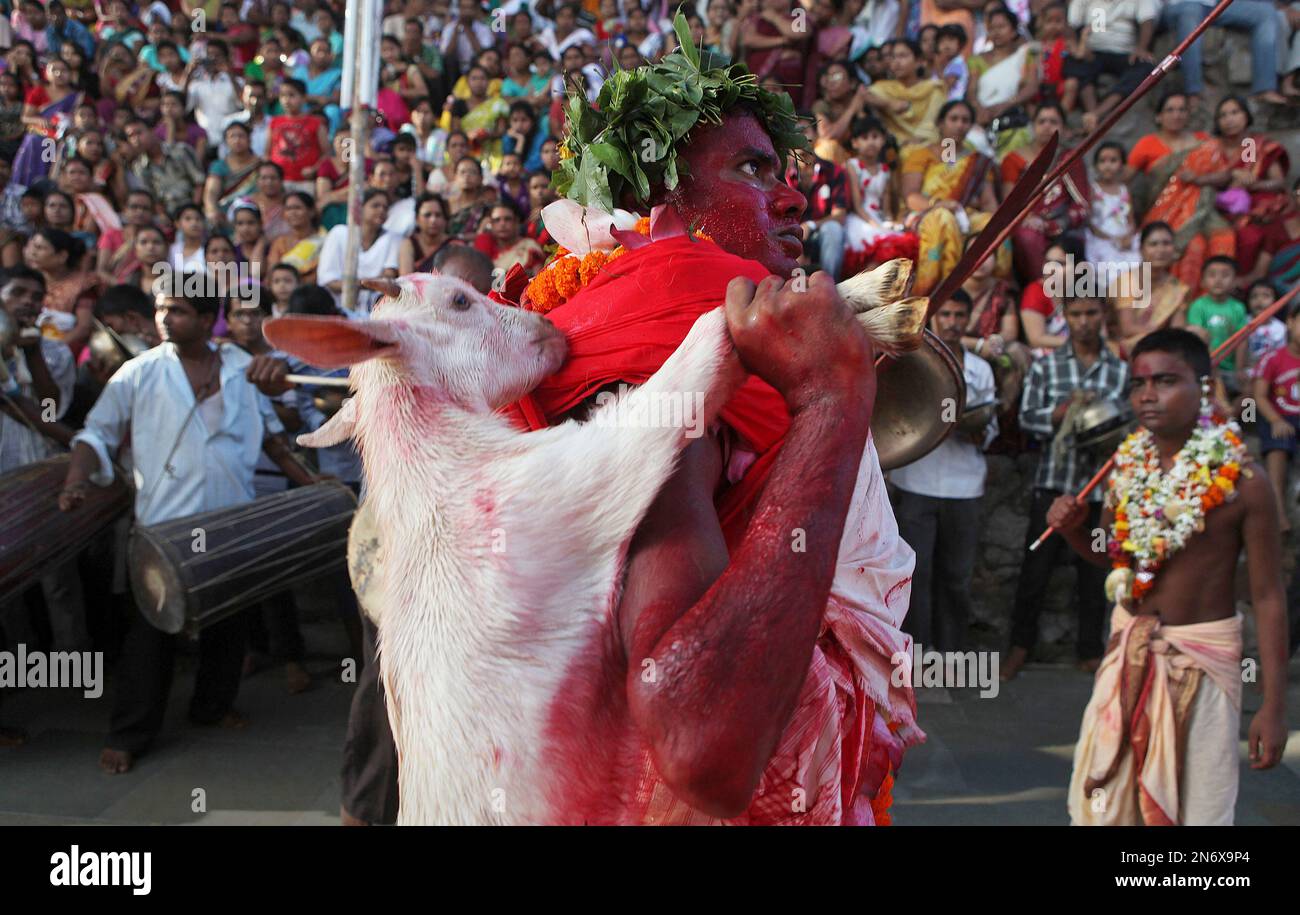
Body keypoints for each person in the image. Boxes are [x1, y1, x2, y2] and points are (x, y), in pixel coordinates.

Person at [473, 16, 920, 824]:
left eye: (786, 171)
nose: (793, 197)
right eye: (753, 169)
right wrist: (830, 404)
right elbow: (701, 743)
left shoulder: (682, 353)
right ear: (656, 197)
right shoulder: (653, 375)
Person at [59, 278, 320, 774]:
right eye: (161, 309)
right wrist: (76, 481)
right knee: (151, 636)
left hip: (232, 521)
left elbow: (273, 437)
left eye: (177, 310)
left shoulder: (245, 368)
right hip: (165, 531)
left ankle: (212, 707)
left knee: (229, 625)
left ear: (206, 320)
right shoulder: (137, 373)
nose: (164, 319)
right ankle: (130, 733)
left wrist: (309, 482)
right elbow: (96, 434)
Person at [1051, 329, 1287, 824]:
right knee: (1108, 803)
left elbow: (1267, 596)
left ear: (1203, 388)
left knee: (1200, 809)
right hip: (1129, 650)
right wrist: (1075, 533)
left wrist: (1273, 706)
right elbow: (1114, 558)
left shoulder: (1245, 481)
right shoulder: (1126, 467)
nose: (1148, 395)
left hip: (1202, 662)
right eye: (1138, 384)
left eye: (1165, 381)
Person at [1005, 294, 1130, 680]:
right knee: (1035, 570)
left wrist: (1108, 430)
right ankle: (1019, 648)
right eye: (1076, 314)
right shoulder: (1047, 367)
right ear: (1065, 318)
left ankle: (1091, 651)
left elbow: (1130, 424)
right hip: (1054, 484)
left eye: (1091, 313)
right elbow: (1027, 418)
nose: (1084, 321)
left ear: (1103, 316)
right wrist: (1063, 413)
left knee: (1096, 575)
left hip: (1100, 491)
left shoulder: (1120, 371)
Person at [891, 291, 998, 652]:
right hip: (916, 480)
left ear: (969, 319)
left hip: (965, 485)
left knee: (956, 576)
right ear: (935, 320)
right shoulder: (912, 361)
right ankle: (916, 652)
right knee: (916, 574)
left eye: (959, 315)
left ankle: (951, 654)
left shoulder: (981, 370)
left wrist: (981, 431)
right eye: (946, 315)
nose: (952, 322)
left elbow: (990, 423)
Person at [1126, 92, 1234, 294]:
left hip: (1203, 211)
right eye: (1170, 110)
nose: (1177, 115)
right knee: (1194, 245)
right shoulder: (1147, 144)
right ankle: (1182, 300)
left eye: (1182, 110)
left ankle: (1217, 299)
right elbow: (1122, 182)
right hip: (1165, 215)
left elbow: (1225, 176)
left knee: (1225, 237)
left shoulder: (1205, 141)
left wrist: (1200, 179)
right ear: (1158, 116)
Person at [902, 99, 1004, 296]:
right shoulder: (921, 154)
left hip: (964, 214)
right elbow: (911, 197)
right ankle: (942, 293)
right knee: (944, 219)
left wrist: (1001, 223)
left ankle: (996, 294)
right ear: (940, 123)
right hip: (925, 213)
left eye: (965, 120)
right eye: (954, 119)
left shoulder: (978, 161)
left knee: (991, 224)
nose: (959, 125)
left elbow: (989, 202)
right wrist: (940, 205)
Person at [1213, 95, 1297, 287]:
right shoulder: (1212, 147)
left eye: (1235, 112)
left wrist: (1252, 184)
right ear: (1217, 121)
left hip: (1258, 204)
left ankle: (1256, 284)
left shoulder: (1252, 145)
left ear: (1246, 116)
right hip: (1224, 207)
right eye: (1223, 115)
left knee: (1260, 230)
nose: (1229, 119)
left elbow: (1276, 182)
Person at [1001, 101, 1089, 284]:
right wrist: (1027, 219)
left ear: (1063, 128)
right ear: (1033, 126)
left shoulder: (1069, 158)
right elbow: (1008, 203)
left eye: (1053, 122)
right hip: (1026, 223)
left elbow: (1083, 205)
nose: (1047, 126)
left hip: (1062, 225)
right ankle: (1040, 290)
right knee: (1027, 236)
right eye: (1041, 122)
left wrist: (1054, 225)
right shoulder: (1014, 159)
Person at [1162, 0, 1288, 108]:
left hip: (1214, 5)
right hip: (1181, 5)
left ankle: (1264, 88)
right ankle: (1193, 92)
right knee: (1190, 12)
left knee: (1266, 12)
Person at [1066, 0, 1156, 133]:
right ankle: (1092, 115)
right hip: (1093, 51)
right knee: (1075, 63)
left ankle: (1098, 113)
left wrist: (1141, 48)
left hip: (1124, 52)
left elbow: (1147, 20)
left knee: (1145, 66)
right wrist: (1076, 48)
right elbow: (1070, 24)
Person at [1108, 221, 1191, 358]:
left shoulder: (1178, 288)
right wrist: (1160, 334)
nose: (1161, 250)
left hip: (1161, 343)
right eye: (1153, 244)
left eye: (1166, 244)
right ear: (1141, 250)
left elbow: (1177, 330)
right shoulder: (1127, 281)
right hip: (1125, 346)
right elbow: (1127, 329)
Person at [316, 187, 401, 315]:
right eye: (375, 206)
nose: (381, 210)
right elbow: (328, 280)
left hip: (376, 310)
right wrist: (367, 283)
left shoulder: (392, 238)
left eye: (385, 207)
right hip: (336, 308)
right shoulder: (338, 233)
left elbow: (388, 276)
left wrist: (356, 284)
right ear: (360, 208)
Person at [1253, 302, 1300, 532]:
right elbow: (1258, 397)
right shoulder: (1273, 358)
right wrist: (1276, 420)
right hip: (1278, 415)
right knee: (1278, 448)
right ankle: (1279, 512)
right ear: (1290, 322)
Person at [965, 5, 1036, 157]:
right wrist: (978, 108)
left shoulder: (1025, 55)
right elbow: (971, 90)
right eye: (992, 28)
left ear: (1014, 30)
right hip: (983, 118)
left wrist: (1006, 104)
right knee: (963, 146)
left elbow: (1032, 86)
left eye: (1002, 26)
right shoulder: (976, 60)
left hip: (1013, 118)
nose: (996, 32)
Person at [785, 119, 849, 281]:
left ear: (816, 136)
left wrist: (811, 226)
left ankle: (829, 286)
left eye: (804, 131)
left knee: (833, 229)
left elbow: (839, 216)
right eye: (794, 132)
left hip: (821, 231)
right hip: (789, 233)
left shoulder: (834, 171)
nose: (799, 137)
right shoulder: (779, 172)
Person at [861, 39, 946, 146]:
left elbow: (930, 127)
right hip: (894, 149)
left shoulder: (933, 89)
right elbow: (863, 95)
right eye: (893, 57)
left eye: (903, 56)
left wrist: (913, 144)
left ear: (919, 61)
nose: (896, 62)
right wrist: (890, 104)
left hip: (928, 146)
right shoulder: (883, 88)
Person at [1186, 256, 1248, 398]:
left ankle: (1245, 418)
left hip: (1231, 368)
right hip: (1207, 368)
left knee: (1248, 391)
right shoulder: (1198, 306)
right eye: (1212, 275)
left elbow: (1242, 339)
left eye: (1225, 275)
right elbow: (1197, 337)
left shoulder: (1238, 308)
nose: (1218, 280)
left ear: (1235, 281)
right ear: (1202, 281)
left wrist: (1239, 368)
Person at [1084, 140, 1140, 269]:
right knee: (1109, 265)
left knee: (1135, 262)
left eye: (1113, 161)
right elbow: (1089, 221)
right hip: (1100, 237)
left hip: (1123, 236)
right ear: (1096, 165)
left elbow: (1130, 219)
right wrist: (1110, 239)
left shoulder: (1124, 190)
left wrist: (1127, 236)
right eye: (1102, 161)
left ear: (1122, 164)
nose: (1108, 165)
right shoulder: (1093, 189)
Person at [265, 191, 326, 284]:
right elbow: (272, 274)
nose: (292, 213)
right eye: (288, 209)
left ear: (311, 212)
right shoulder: (280, 243)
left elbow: (322, 273)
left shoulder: (324, 240)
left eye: (297, 208)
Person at [472, 200, 545, 276]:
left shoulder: (529, 248)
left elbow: (538, 278)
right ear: (491, 224)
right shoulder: (485, 246)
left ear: (516, 222)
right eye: (497, 220)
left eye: (507, 219)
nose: (502, 224)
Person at [399, 192, 459, 274]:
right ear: (417, 219)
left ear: (445, 219)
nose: (433, 220)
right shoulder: (409, 244)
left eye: (438, 215)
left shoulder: (454, 245)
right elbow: (405, 280)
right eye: (427, 215)